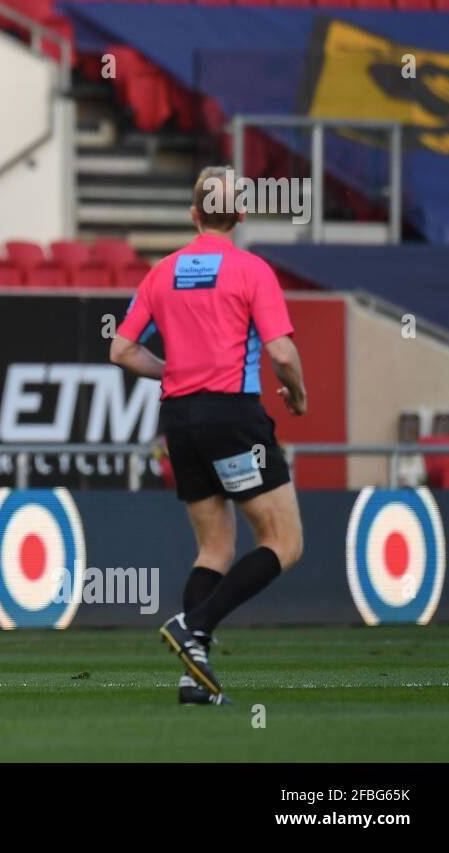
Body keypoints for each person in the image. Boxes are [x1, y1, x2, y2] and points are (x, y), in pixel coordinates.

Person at [109, 166, 306, 705]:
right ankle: (193, 625)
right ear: (240, 214)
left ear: (193, 215)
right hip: (233, 416)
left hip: (179, 419)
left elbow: (121, 350)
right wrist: (298, 394)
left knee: (214, 548)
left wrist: (172, 371)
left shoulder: (162, 273)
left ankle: (191, 673)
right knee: (285, 543)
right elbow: (282, 351)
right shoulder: (251, 270)